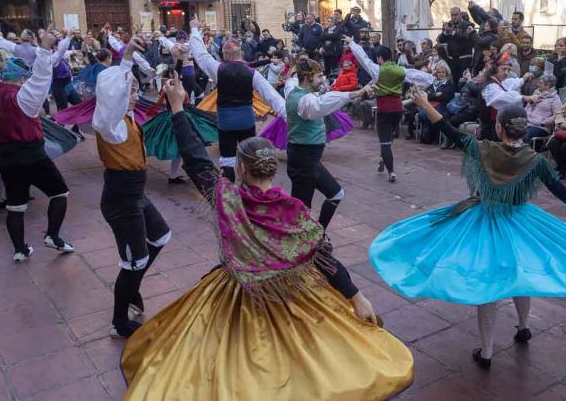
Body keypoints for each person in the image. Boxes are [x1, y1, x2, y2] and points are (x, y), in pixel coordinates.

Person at [120, 78, 413, 399]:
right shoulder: (294, 212)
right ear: (272, 168)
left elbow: (195, 159)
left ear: (242, 170)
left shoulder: (227, 199)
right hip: (291, 297)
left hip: (234, 295)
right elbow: (324, 259)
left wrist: (177, 108)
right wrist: (356, 296)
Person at [370, 92, 566, 369]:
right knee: (521, 273)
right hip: (520, 222)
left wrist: (423, 104)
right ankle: (523, 327)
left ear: (499, 128)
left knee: (487, 285)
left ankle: (487, 351)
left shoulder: (482, 149)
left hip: (482, 221)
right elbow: (556, 186)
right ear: (523, 128)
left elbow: (446, 128)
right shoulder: (534, 159)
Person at [91, 37, 171, 338]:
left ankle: (132, 284)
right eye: (131, 90)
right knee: (133, 260)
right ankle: (118, 321)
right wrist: (125, 59)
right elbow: (112, 99)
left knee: (161, 237)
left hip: (136, 194)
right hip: (121, 200)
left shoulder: (128, 118)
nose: (136, 94)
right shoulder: (109, 124)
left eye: (137, 89)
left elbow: (120, 95)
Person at [0, 31, 77, 262]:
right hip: (33, 155)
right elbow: (42, 78)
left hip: (6, 156)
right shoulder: (24, 98)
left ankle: (20, 250)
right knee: (60, 192)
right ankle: (52, 236)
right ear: (21, 79)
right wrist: (43, 48)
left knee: (15, 206)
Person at [187, 17, 286, 182]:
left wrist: (195, 29)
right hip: (246, 120)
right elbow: (272, 96)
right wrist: (288, 115)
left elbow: (200, 54)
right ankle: (251, 188)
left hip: (226, 121)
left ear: (225, 55)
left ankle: (229, 193)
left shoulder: (218, 69)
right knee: (249, 156)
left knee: (227, 159)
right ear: (241, 53)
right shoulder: (252, 73)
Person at [279, 58, 367, 228]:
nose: (322, 80)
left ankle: (317, 236)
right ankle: (305, 244)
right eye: (319, 76)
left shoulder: (294, 90)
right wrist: (354, 94)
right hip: (303, 160)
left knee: (335, 194)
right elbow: (319, 106)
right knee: (301, 212)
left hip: (308, 159)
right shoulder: (305, 101)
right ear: (307, 77)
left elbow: (293, 83)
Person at [348, 36, 433, 183]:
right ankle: (383, 158)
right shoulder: (401, 70)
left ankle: (391, 172)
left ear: (380, 58)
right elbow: (423, 77)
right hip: (398, 109)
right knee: (388, 139)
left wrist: (351, 43)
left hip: (384, 109)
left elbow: (363, 59)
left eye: (377, 58)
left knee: (385, 142)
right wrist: (431, 80)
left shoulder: (377, 70)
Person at [523, 73, 561, 143]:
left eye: (540, 83)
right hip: (527, 123)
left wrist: (543, 122)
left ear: (548, 85)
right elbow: (527, 108)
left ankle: (525, 153)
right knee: (513, 130)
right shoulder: (536, 93)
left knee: (524, 135)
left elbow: (557, 115)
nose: (538, 84)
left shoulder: (555, 98)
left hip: (541, 127)